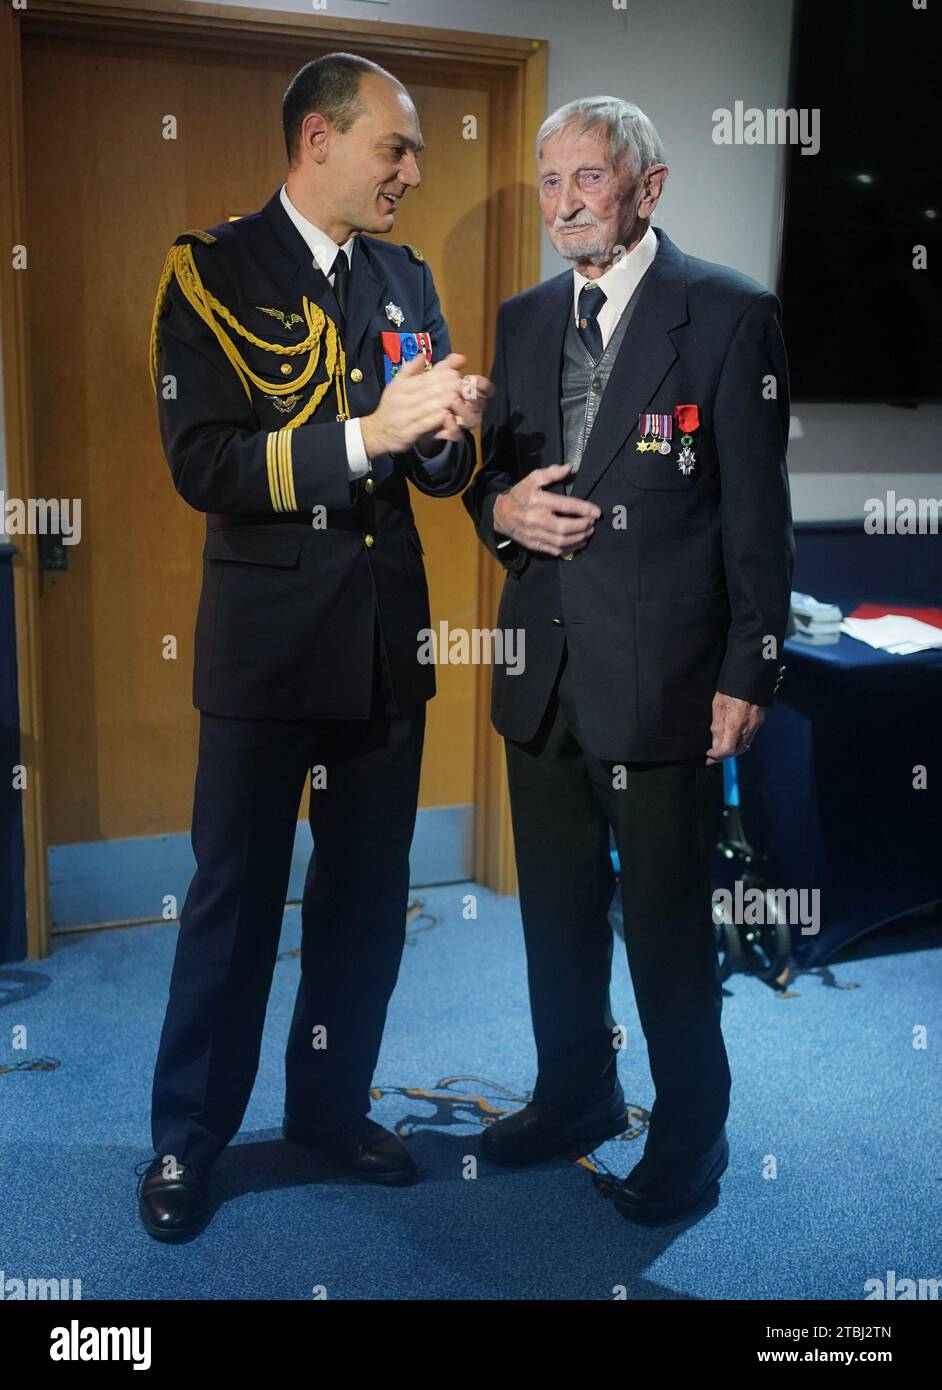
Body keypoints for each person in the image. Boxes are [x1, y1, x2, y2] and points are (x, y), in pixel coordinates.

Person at [139, 51, 492, 1241]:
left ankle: (330, 1115)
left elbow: (436, 474)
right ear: (317, 143)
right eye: (395, 148)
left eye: (417, 154)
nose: (411, 171)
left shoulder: (407, 276)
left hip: (385, 650)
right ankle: (188, 1141)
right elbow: (205, 465)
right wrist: (363, 436)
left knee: (363, 902)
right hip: (269, 651)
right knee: (232, 903)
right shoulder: (213, 270)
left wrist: (446, 432)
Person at [463, 96, 793, 1224]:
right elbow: (491, 484)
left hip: (664, 686)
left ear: (646, 189)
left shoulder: (730, 314)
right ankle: (577, 1097)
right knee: (554, 918)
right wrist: (497, 508)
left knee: (662, 934)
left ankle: (691, 1139)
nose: (564, 204)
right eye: (550, 182)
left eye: (587, 179)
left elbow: (758, 513)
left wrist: (750, 669)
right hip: (541, 676)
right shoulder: (519, 318)